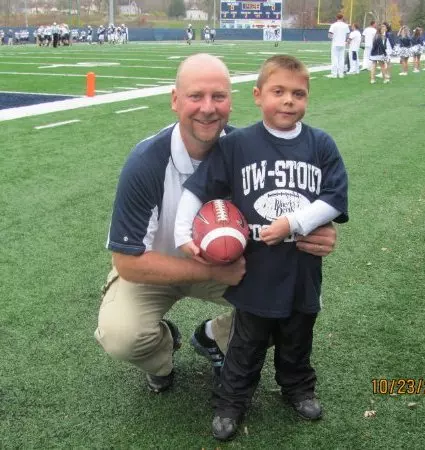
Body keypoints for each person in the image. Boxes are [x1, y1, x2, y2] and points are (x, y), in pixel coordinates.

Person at [95, 54, 339, 395]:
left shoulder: (250, 151)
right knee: (122, 335)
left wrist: (318, 230)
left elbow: (293, 206)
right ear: (175, 100)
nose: (207, 108)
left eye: (218, 96)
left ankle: (214, 337)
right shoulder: (145, 162)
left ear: (232, 101)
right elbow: (127, 262)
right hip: (156, 268)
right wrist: (210, 273)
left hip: (231, 264)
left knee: (283, 308)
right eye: (196, 96)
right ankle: (163, 355)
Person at [174, 55, 348, 441]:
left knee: (298, 337)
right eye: (278, 91)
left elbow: (335, 196)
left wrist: (294, 222)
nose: (288, 100)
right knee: (247, 343)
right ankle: (231, 402)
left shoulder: (320, 144)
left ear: (307, 98)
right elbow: (198, 188)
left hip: (302, 268)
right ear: (257, 95)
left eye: (298, 93)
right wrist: (182, 232)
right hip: (256, 269)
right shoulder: (237, 145)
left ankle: (298, 387)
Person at [328, 13, 350, 78]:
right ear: (342, 18)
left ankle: (334, 74)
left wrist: (333, 38)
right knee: (341, 59)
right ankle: (341, 74)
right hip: (342, 44)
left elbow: (330, 35)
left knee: (334, 59)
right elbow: (348, 35)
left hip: (335, 44)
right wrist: (346, 41)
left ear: (337, 18)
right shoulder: (345, 25)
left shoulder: (334, 25)